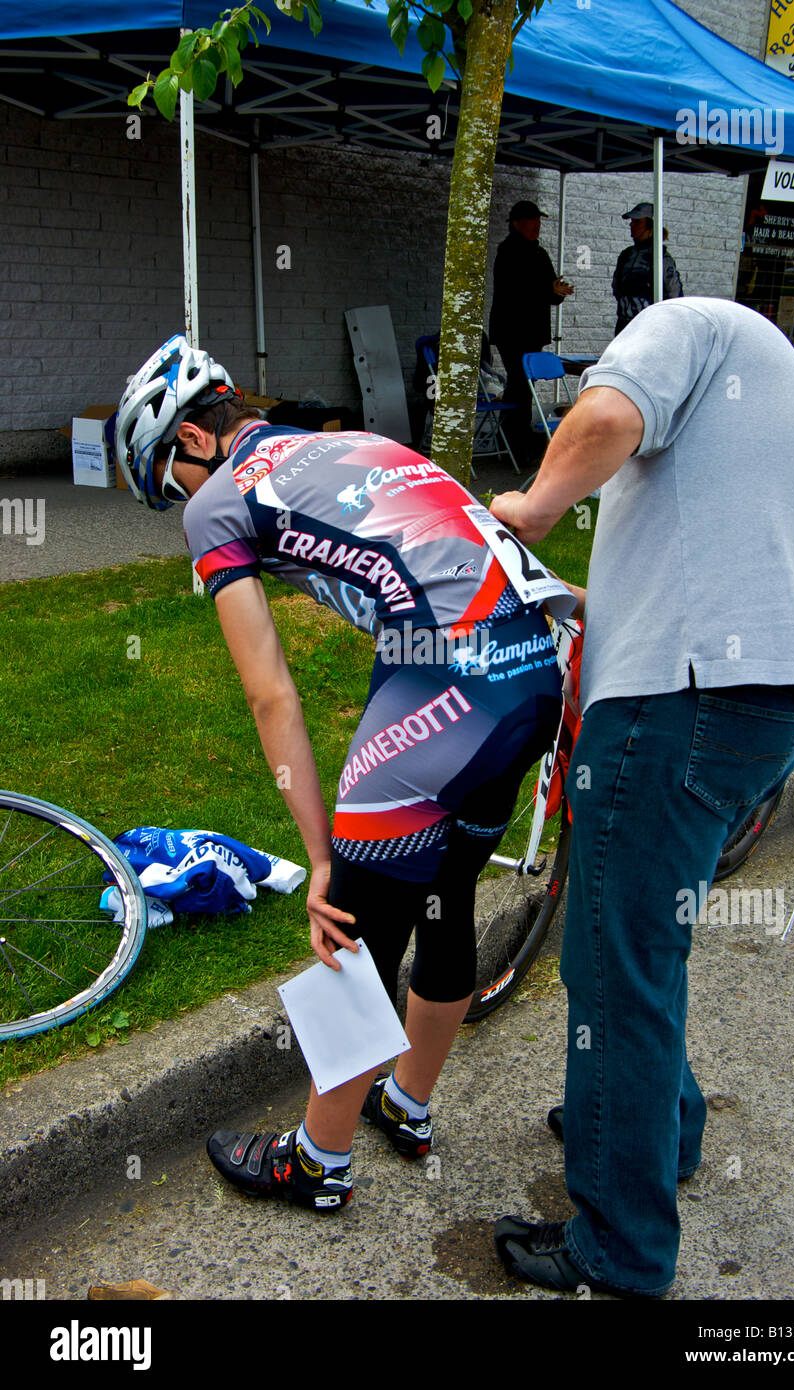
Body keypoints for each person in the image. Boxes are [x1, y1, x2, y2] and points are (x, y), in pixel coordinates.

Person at [114, 334, 574, 1214]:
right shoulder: (347, 444)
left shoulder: (215, 504)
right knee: (448, 897)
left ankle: (316, 1162)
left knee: (351, 929)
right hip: (528, 677)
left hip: (447, 681)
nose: (182, 500)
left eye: (169, 478)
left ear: (195, 443)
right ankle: (406, 1103)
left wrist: (320, 855)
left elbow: (271, 695)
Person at [488, 297, 794, 1297]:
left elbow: (603, 419)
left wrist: (533, 508)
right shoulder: (774, 400)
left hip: (673, 708)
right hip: (759, 714)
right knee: (642, 947)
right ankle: (658, 1123)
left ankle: (619, 1249)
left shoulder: (679, 323)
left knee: (614, 968)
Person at [489, 199, 574, 465]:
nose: (537, 225)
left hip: (532, 331)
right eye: (531, 220)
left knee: (523, 386)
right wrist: (549, 291)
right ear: (517, 224)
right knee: (521, 385)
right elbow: (517, 290)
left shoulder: (539, 253)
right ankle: (516, 445)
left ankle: (513, 443)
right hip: (512, 331)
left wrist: (558, 291)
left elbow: (548, 290)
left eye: (539, 220)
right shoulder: (509, 251)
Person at [611, 200, 683, 336]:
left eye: (637, 222)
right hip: (624, 324)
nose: (631, 225)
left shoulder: (661, 257)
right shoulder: (626, 255)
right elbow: (617, 287)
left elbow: (674, 294)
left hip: (649, 327)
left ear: (650, 226)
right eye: (632, 221)